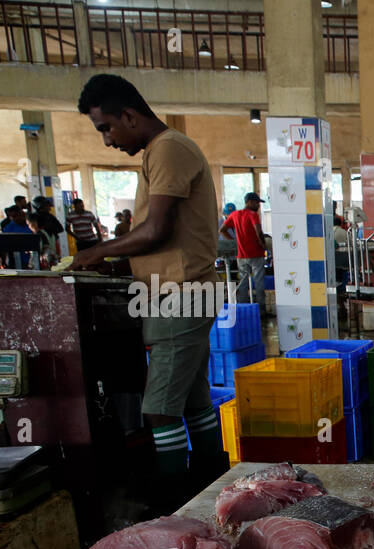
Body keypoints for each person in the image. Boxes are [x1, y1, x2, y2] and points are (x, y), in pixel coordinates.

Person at [70, 73, 225, 502]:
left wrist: (96, 252)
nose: (107, 140)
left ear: (129, 115)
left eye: (107, 127)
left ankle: (174, 499)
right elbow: (163, 236)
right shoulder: (163, 149)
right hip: (184, 292)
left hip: (180, 295)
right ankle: (212, 487)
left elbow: (157, 230)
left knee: (159, 407)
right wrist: (121, 260)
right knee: (192, 400)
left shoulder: (169, 148)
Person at [220, 191, 268, 304]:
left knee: (243, 283)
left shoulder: (234, 215)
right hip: (256, 254)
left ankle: (243, 307)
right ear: (249, 202)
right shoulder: (253, 215)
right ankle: (261, 310)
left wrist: (234, 241)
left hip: (241, 256)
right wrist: (263, 245)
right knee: (259, 282)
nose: (258, 206)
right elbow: (258, 231)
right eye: (257, 203)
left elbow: (222, 230)